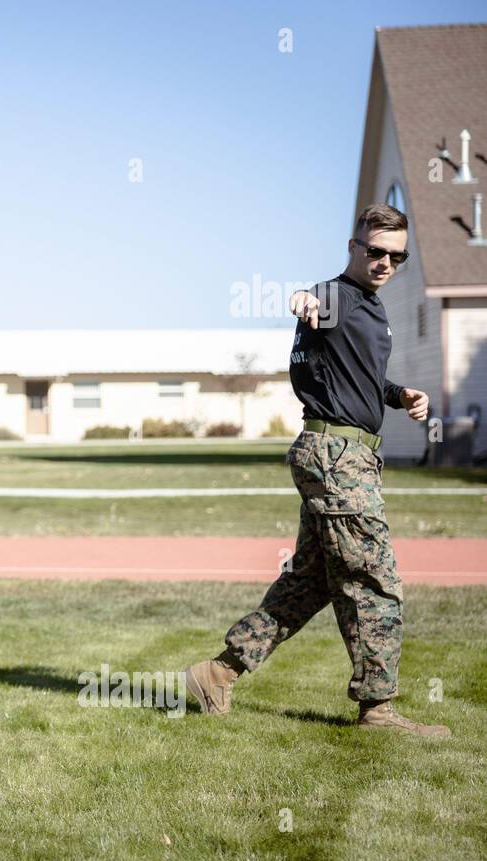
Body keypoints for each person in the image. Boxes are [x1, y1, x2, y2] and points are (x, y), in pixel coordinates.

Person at [183, 203, 449, 737]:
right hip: (338, 457)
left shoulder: (369, 308)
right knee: (374, 584)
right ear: (354, 247)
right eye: (375, 251)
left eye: (397, 257)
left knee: (312, 581)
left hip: (340, 452)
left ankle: (218, 673)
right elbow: (312, 300)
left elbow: (358, 378)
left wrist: (400, 396)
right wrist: (304, 298)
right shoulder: (339, 297)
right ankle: (378, 710)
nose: (384, 263)